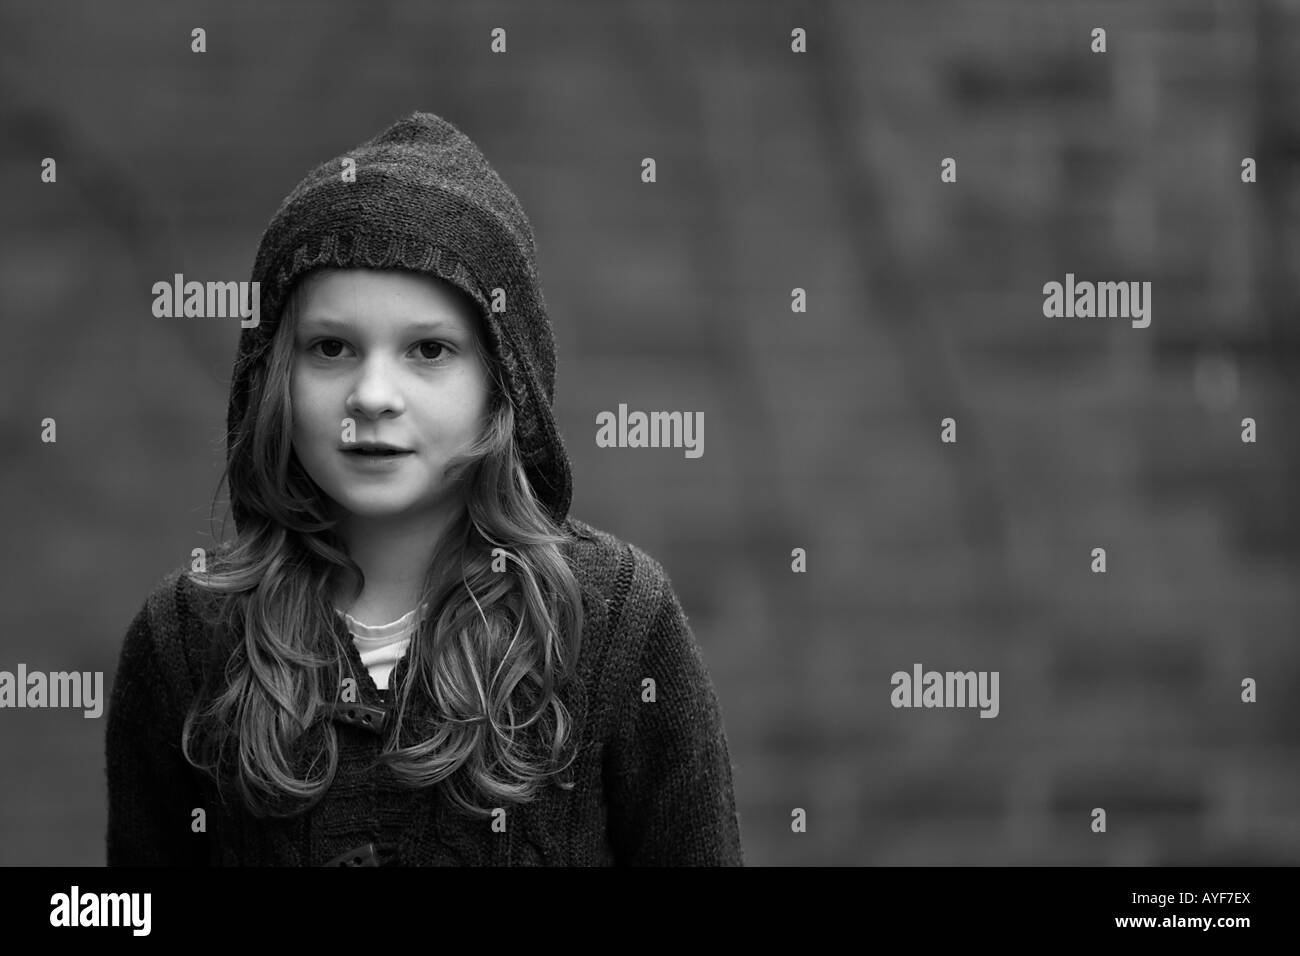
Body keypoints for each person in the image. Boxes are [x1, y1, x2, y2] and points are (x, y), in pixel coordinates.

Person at [105, 111, 744, 866]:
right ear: (273, 374)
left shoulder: (616, 626)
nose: (372, 395)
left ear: (502, 382)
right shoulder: (185, 642)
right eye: (331, 347)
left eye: (429, 350)